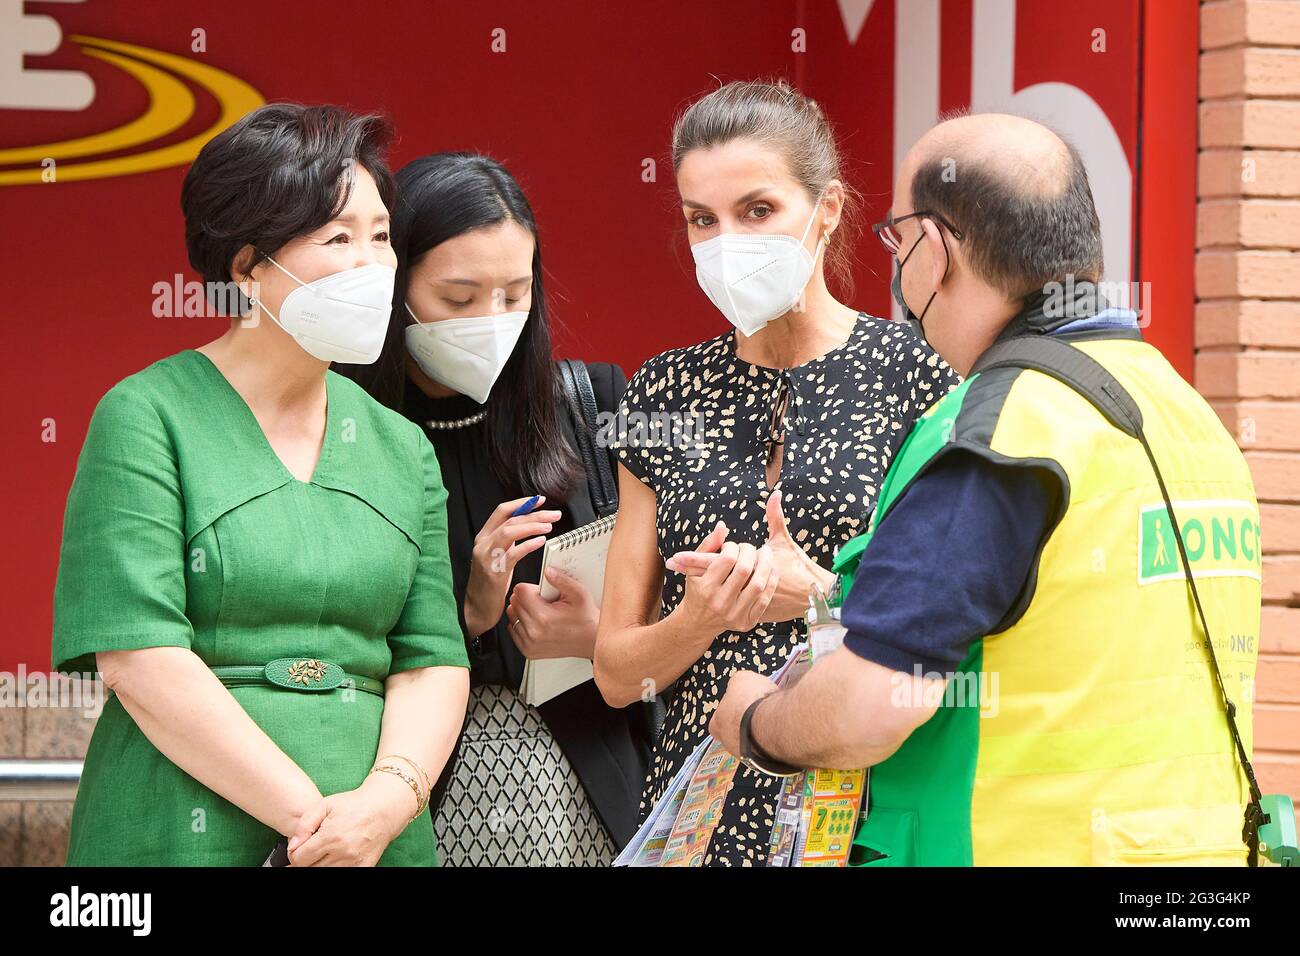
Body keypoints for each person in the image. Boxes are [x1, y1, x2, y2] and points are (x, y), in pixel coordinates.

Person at [703, 112, 1264, 866]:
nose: (898, 267)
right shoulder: (1185, 414)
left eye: (898, 243)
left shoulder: (998, 429)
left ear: (934, 254)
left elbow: (874, 708)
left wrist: (758, 723)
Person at [51, 104, 470, 866]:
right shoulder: (148, 415)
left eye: (381, 237)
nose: (373, 265)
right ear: (247, 266)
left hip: (378, 838)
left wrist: (381, 810)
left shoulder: (402, 446)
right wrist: (317, 827)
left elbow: (432, 657)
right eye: (338, 239)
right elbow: (139, 657)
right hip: (180, 825)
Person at [594, 79, 958, 866]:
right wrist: (702, 616)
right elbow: (617, 675)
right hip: (696, 815)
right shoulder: (661, 388)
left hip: (864, 816)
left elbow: (962, 628)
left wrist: (826, 594)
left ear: (826, 210)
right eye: (702, 219)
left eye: (757, 211)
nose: (727, 241)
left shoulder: (921, 375)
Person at [342, 153, 651, 866]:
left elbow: (680, 601)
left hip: (597, 784)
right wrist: (471, 617)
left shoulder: (593, 401)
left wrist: (600, 634)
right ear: (396, 286)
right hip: (417, 783)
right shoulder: (344, 425)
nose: (491, 320)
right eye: (457, 298)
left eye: (515, 293)